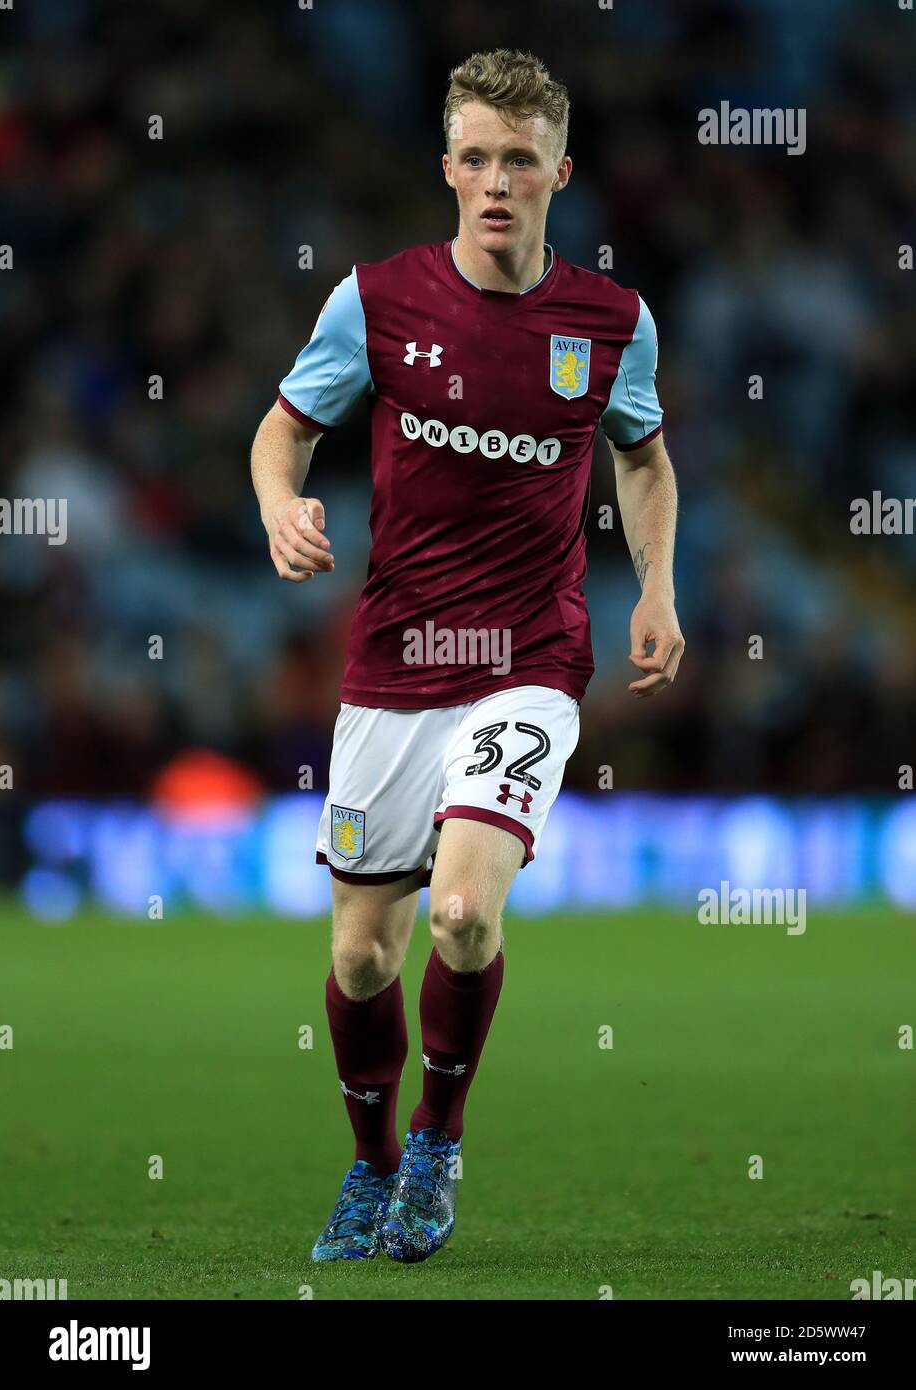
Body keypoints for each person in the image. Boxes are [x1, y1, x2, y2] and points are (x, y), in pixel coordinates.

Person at [250, 48, 684, 1265]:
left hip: (527, 658)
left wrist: (654, 583)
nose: (497, 183)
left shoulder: (609, 322)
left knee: (457, 916)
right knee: (358, 951)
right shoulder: (375, 301)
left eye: (521, 161)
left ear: (558, 171)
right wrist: (281, 505)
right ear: (447, 166)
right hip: (391, 664)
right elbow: (280, 434)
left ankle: (437, 1145)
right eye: (476, 159)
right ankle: (373, 1161)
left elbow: (639, 456)